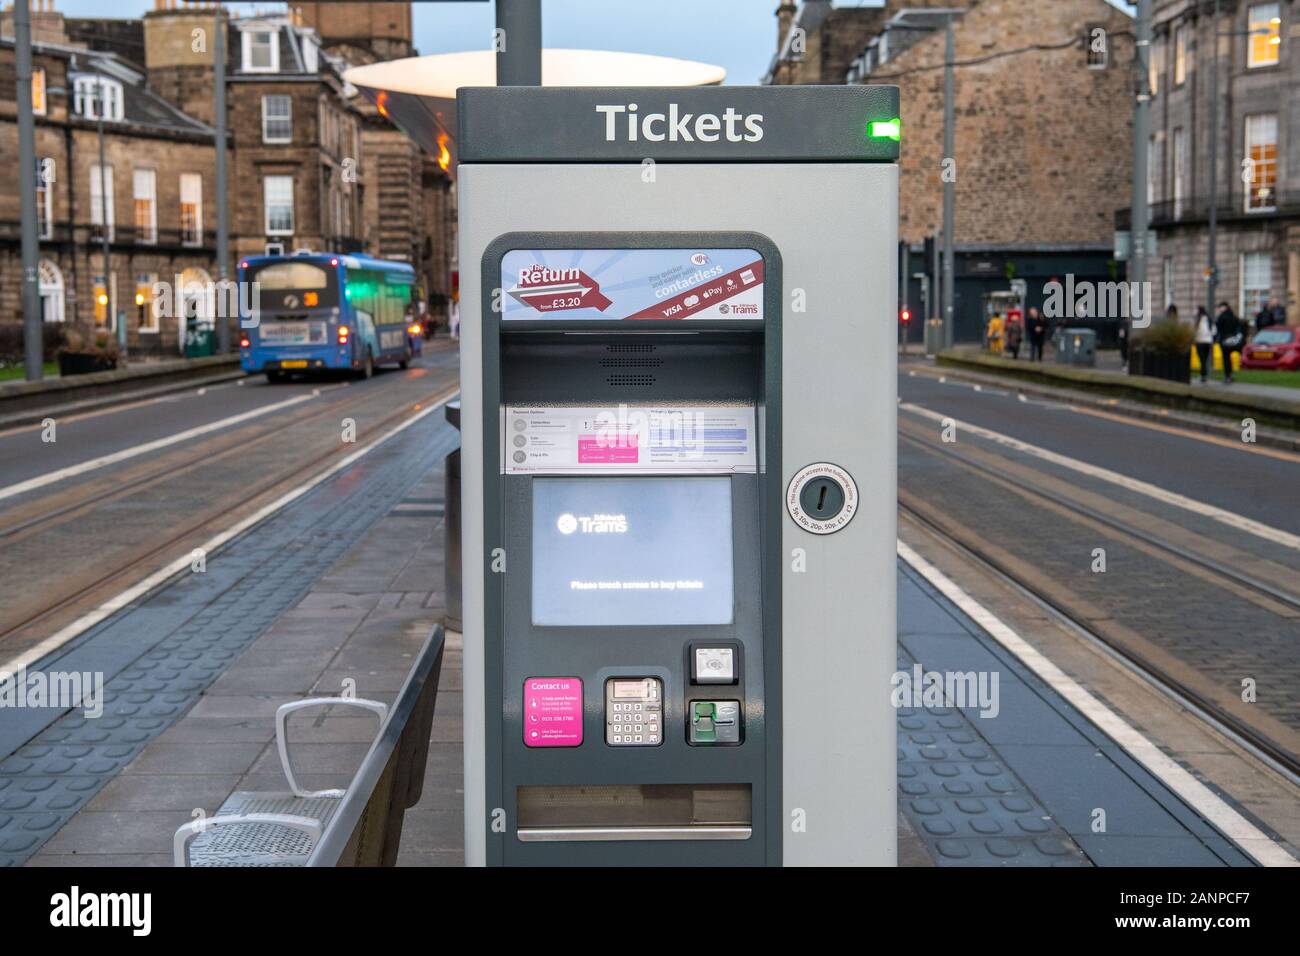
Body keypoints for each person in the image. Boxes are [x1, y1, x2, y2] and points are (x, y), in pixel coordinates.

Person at [1215, 301, 1243, 384]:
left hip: (1225, 340)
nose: (1219, 309)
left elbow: (1218, 328)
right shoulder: (1233, 316)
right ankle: (1230, 374)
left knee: (1226, 358)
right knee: (1231, 357)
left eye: (1220, 307)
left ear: (1224, 307)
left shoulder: (1222, 317)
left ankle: (1228, 376)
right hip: (1234, 340)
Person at [1194, 306, 1213, 383]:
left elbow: (1199, 331)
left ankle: (1203, 376)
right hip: (1208, 341)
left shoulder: (1200, 319)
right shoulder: (1209, 319)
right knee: (1204, 359)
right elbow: (1212, 330)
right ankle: (1204, 375)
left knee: (1202, 360)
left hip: (1200, 341)